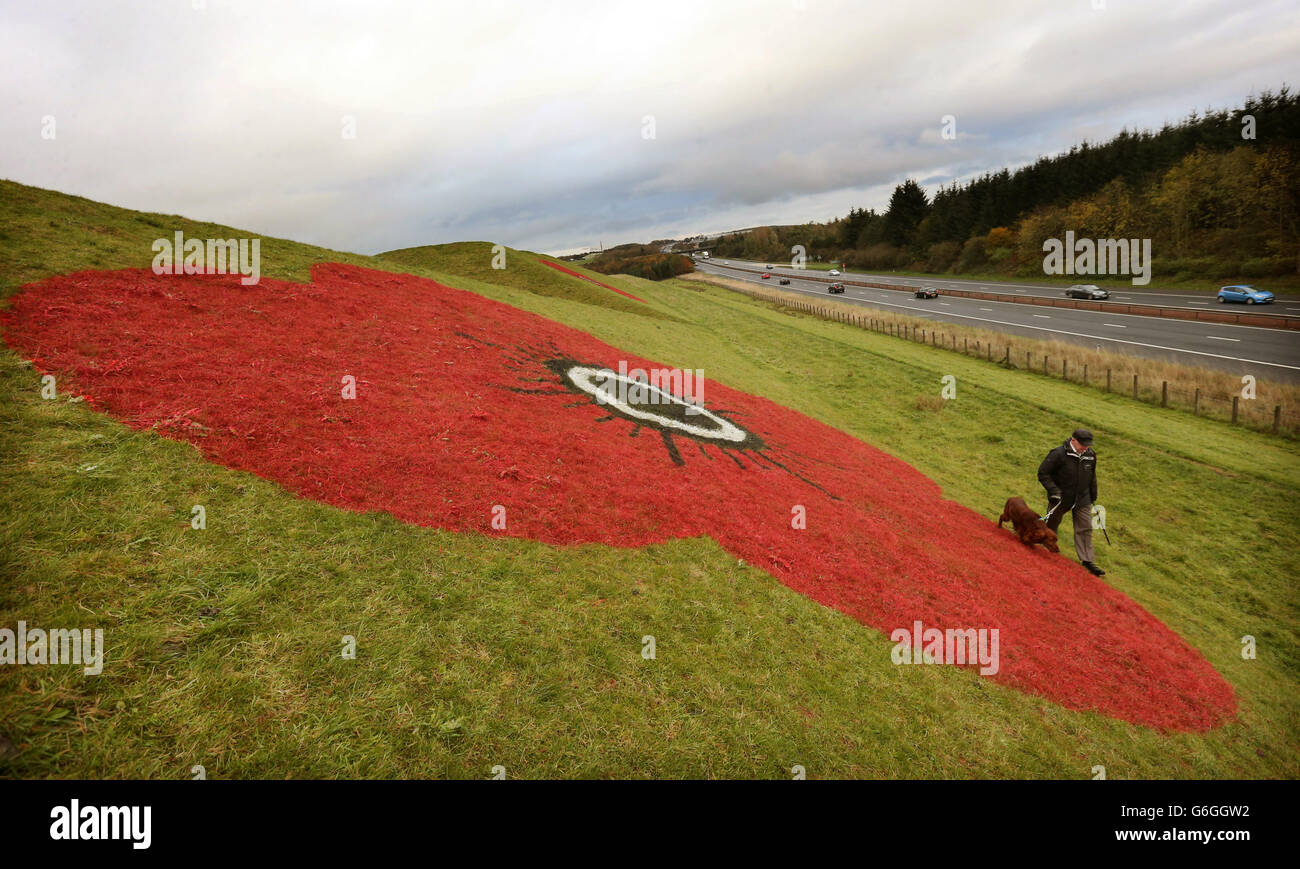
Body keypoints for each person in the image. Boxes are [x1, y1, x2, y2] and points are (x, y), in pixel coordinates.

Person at [1037, 428, 1105, 576]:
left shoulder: (1091, 455)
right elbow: (1043, 473)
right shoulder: (1058, 454)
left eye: (1088, 445)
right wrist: (1054, 491)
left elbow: (1092, 477)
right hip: (1061, 497)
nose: (1086, 447)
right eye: (1083, 444)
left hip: (1083, 498)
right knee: (1052, 523)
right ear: (1073, 440)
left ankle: (1088, 560)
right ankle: (1045, 545)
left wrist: (1093, 495)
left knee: (1085, 527)